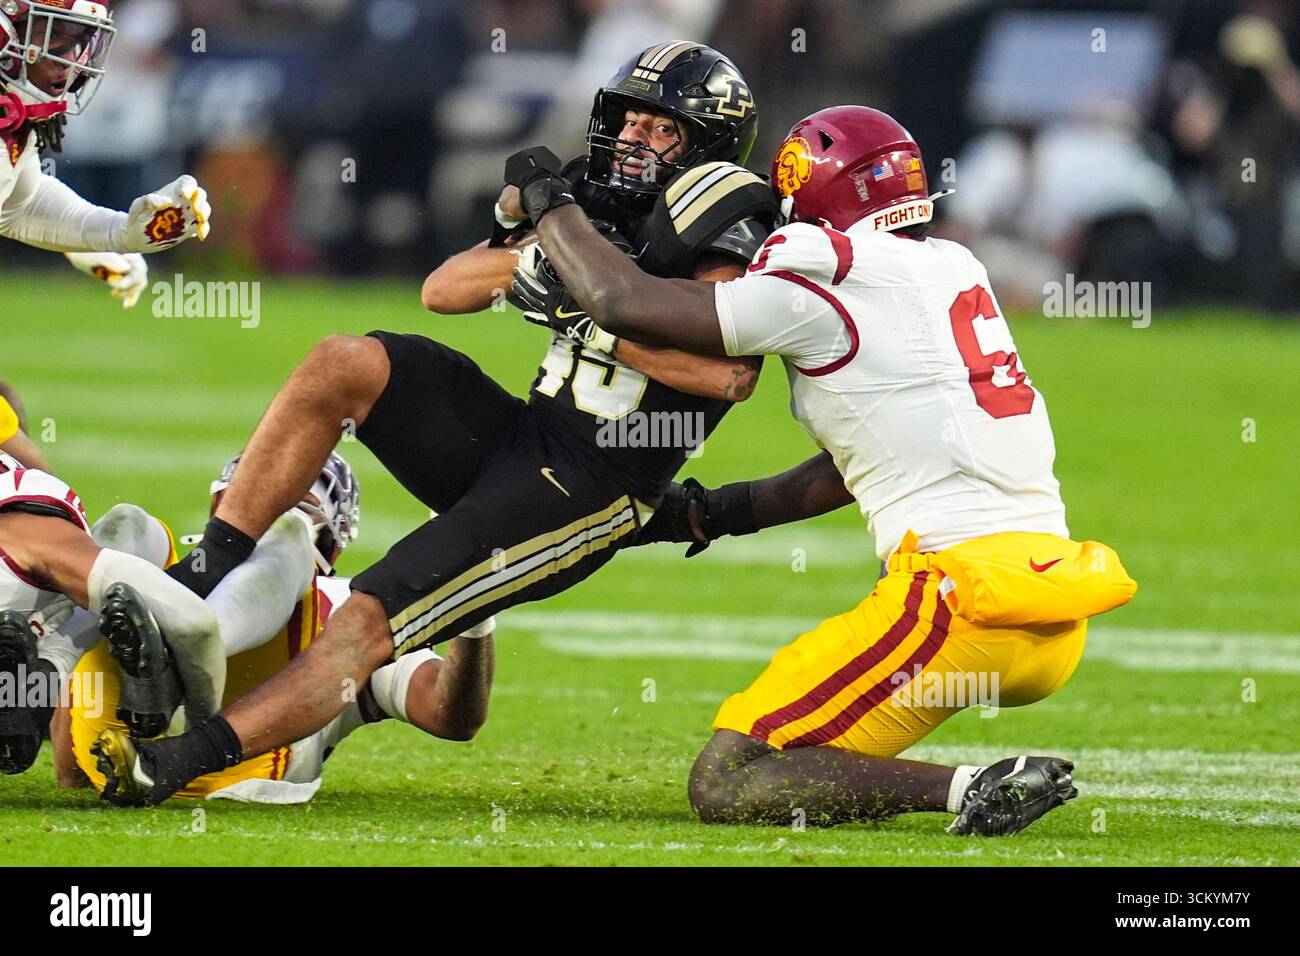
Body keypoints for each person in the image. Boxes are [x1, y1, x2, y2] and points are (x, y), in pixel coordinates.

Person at [91, 42, 779, 808]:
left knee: (367, 616)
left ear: (708, 145)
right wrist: (541, 266)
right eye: (631, 121)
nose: (634, 142)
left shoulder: (731, 224)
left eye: (662, 130)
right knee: (345, 361)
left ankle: (185, 758)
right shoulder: (591, 197)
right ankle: (207, 572)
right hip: (525, 435)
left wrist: (589, 311)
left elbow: (726, 374)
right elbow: (445, 288)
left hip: (590, 483)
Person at [496, 105, 1138, 835]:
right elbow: (853, 463)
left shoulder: (826, 277)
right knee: (804, 761)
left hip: (961, 605)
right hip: (1051, 612)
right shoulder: (952, 268)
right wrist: (708, 513)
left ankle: (980, 788)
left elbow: (622, 301)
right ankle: (967, 787)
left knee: (728, 780)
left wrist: (552, 204)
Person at [73, 452, 494, 804]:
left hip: (231, 775)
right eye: (257, 502)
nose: (269, 515)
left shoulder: (347, 608)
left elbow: (450, 714)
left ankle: (178, 647)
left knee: (281, 540)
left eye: (293, 504)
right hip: (114, 757)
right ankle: (47, 656)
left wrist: (472, 609)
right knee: (131, 527)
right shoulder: (165, 570)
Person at [0, 451, 223, 775]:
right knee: (133, 528)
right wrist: (199, 736)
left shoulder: (32, 538)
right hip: (38, 586)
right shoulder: (35, 537)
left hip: (30, 600)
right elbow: (195, 624)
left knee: (130, 530)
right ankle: (50, 668)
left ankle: (40, 677)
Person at [1, 0, 210, 307]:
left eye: (82, 40)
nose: (72, 60)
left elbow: (18, 205)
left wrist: (119, 232)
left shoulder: (15, 116)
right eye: (56, 35)